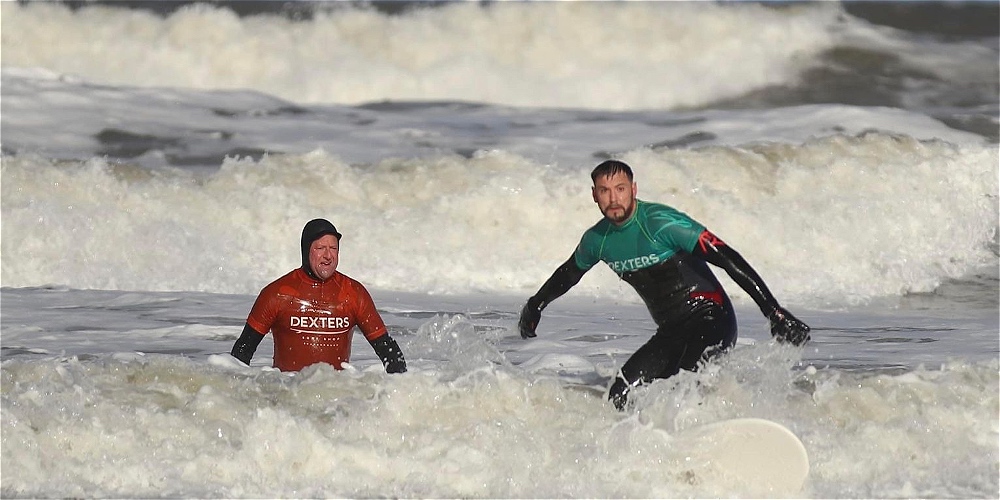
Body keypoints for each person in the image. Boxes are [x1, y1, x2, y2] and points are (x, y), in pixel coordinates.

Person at [518, 160, 809, 410]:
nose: (613, 199)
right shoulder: (597, 240)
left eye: (620, 189)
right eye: (604, 191)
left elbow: (728, 258)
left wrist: (774, 312)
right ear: (594, 195)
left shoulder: (661, 223)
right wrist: (535, 305)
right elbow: (568, 274)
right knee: (619, 396)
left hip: (711, 319)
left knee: (686, 384)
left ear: (634, 189)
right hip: (671, 332)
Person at [230, 218, 406, 374]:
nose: (328, 256)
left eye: (333, 248)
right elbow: (242, 352)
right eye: (320, 248)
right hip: (287, 393)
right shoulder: (278, 293)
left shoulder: (353, 293)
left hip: (337, 394)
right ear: (306, 251)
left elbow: (389, 352)